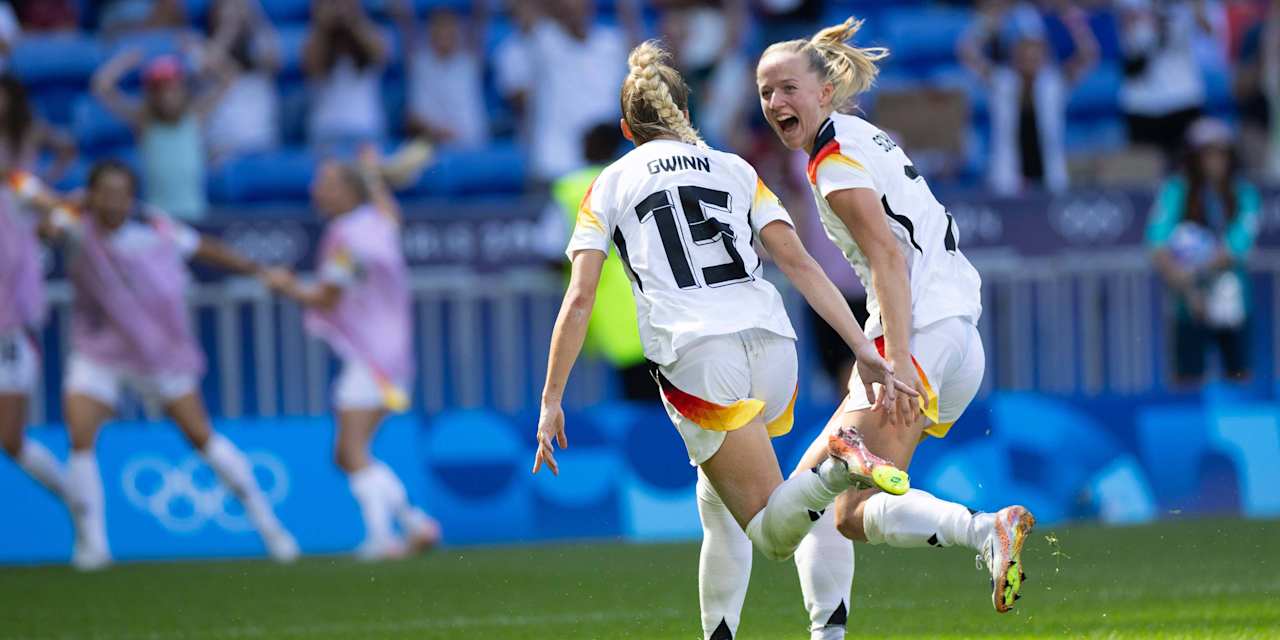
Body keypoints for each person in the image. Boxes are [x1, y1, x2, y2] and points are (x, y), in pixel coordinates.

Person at [533, 41, 914, 640]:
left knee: (770, 529)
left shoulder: (608, 180)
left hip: (698, 356)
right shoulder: (735, 168)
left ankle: (835, 466)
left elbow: (579, 298)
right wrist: (863, 348)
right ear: (687, 114)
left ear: (627, 128)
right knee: (717, 505)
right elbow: (803, 265)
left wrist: (552, 398)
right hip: (772, 346)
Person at [755, 17, 1036, 636]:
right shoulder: (862, 133)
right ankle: (978, 535)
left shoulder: (832, 162)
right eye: (766, 92)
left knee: (809, 499)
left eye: (788, 88)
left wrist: (896, 359)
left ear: (824, 92)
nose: (776, 103)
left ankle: (985, 530)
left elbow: (885, 256)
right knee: (838, 507)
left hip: (916, 337)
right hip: (959, 334)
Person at [12, 162, 298, 571]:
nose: (113, 201)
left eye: (121, 192)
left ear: (132, 197)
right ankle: (92, 545)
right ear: (92, 194)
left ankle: (270, 528)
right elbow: (46, 230)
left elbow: (205, 249)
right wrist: (61, 206)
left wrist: (259, 270)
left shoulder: (156, 228)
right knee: (80, 436)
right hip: (99, 352)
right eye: (105, 192)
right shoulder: (77, 223)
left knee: (201, 437)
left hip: (159, 353)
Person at [262, 149, 440, 561]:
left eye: (324, 184)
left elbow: (325, 296)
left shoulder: (345, 234)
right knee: (350, 452)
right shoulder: (379, 222)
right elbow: (389, 211)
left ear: (345, 191)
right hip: (394, 357)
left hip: (370, 358)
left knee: (350, 451)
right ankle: (414, 523)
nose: (315, 191)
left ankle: (384, 537)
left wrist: (284, 285)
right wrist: (376, 175)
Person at [0, 72, 78, 526]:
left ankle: (74, 495)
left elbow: (61, 212)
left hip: (11, 320)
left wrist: (53, 218)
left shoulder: (21, 185)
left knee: (10, 439)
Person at [1147, 118, 1260, 385]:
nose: (1214, 160)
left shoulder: (1244, 193)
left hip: (1233, 302)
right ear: (1194, 157)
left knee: (1240, 379)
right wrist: (1186, 287)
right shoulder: (1176, 191)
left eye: (1221, 153)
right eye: (1207, 153)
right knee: (1187, 381)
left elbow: (1236, 245)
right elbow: (1157, 240)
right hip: (1188, 304)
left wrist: (1192, 272)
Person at [547, 122, 654, 400]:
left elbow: (548, 249)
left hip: (616, 314)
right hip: (658, 303)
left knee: (640, 407)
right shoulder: (636, 179)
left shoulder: (570, 188)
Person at [960, 1, 1098, 195]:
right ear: (1014, 57)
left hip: (1051, 177)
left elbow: (1089, 55)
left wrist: (1071, 18)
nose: (1029, 62)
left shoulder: (1053, 84)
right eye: (1024, 56)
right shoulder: (1003, 83)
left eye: (1035, 57)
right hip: (1007, 177)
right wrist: (989, 23)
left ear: (1044, 58)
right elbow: (967, 53)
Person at [92, 49, 234, 221]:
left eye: (172, 88)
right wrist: (124, 63)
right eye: (159, 89)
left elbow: (228, 79)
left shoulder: (194, 119)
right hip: (157, 221)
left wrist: (201, 53)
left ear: (183, 89)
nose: (166, 96)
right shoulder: (143, 122)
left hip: (196, 215)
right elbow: (101, 86)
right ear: (151, 94)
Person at [394, 0, 489, 149]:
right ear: (429, 32)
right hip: (432, 146)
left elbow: (480, 18)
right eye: (438, 27)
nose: (443, 33)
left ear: (457, 33)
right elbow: (406, 25)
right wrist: (436, 131)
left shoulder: (469, 62)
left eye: (448, 28)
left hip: (471, 146)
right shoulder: (419, 64)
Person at [203, 0, 282, 163]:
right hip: (223, 152)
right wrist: (229, 27)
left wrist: (253, 16)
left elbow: (275, 59)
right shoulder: (203, 48)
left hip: (262, 148)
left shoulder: (259, 58)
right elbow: (207, 63)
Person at [303, 0, 387, 149]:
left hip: (365, 129)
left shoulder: (370, 33)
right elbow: (312, 69)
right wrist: (323, 25)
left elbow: (380, 55)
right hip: (326, 131)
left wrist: (353, 20)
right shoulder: (314, 39)